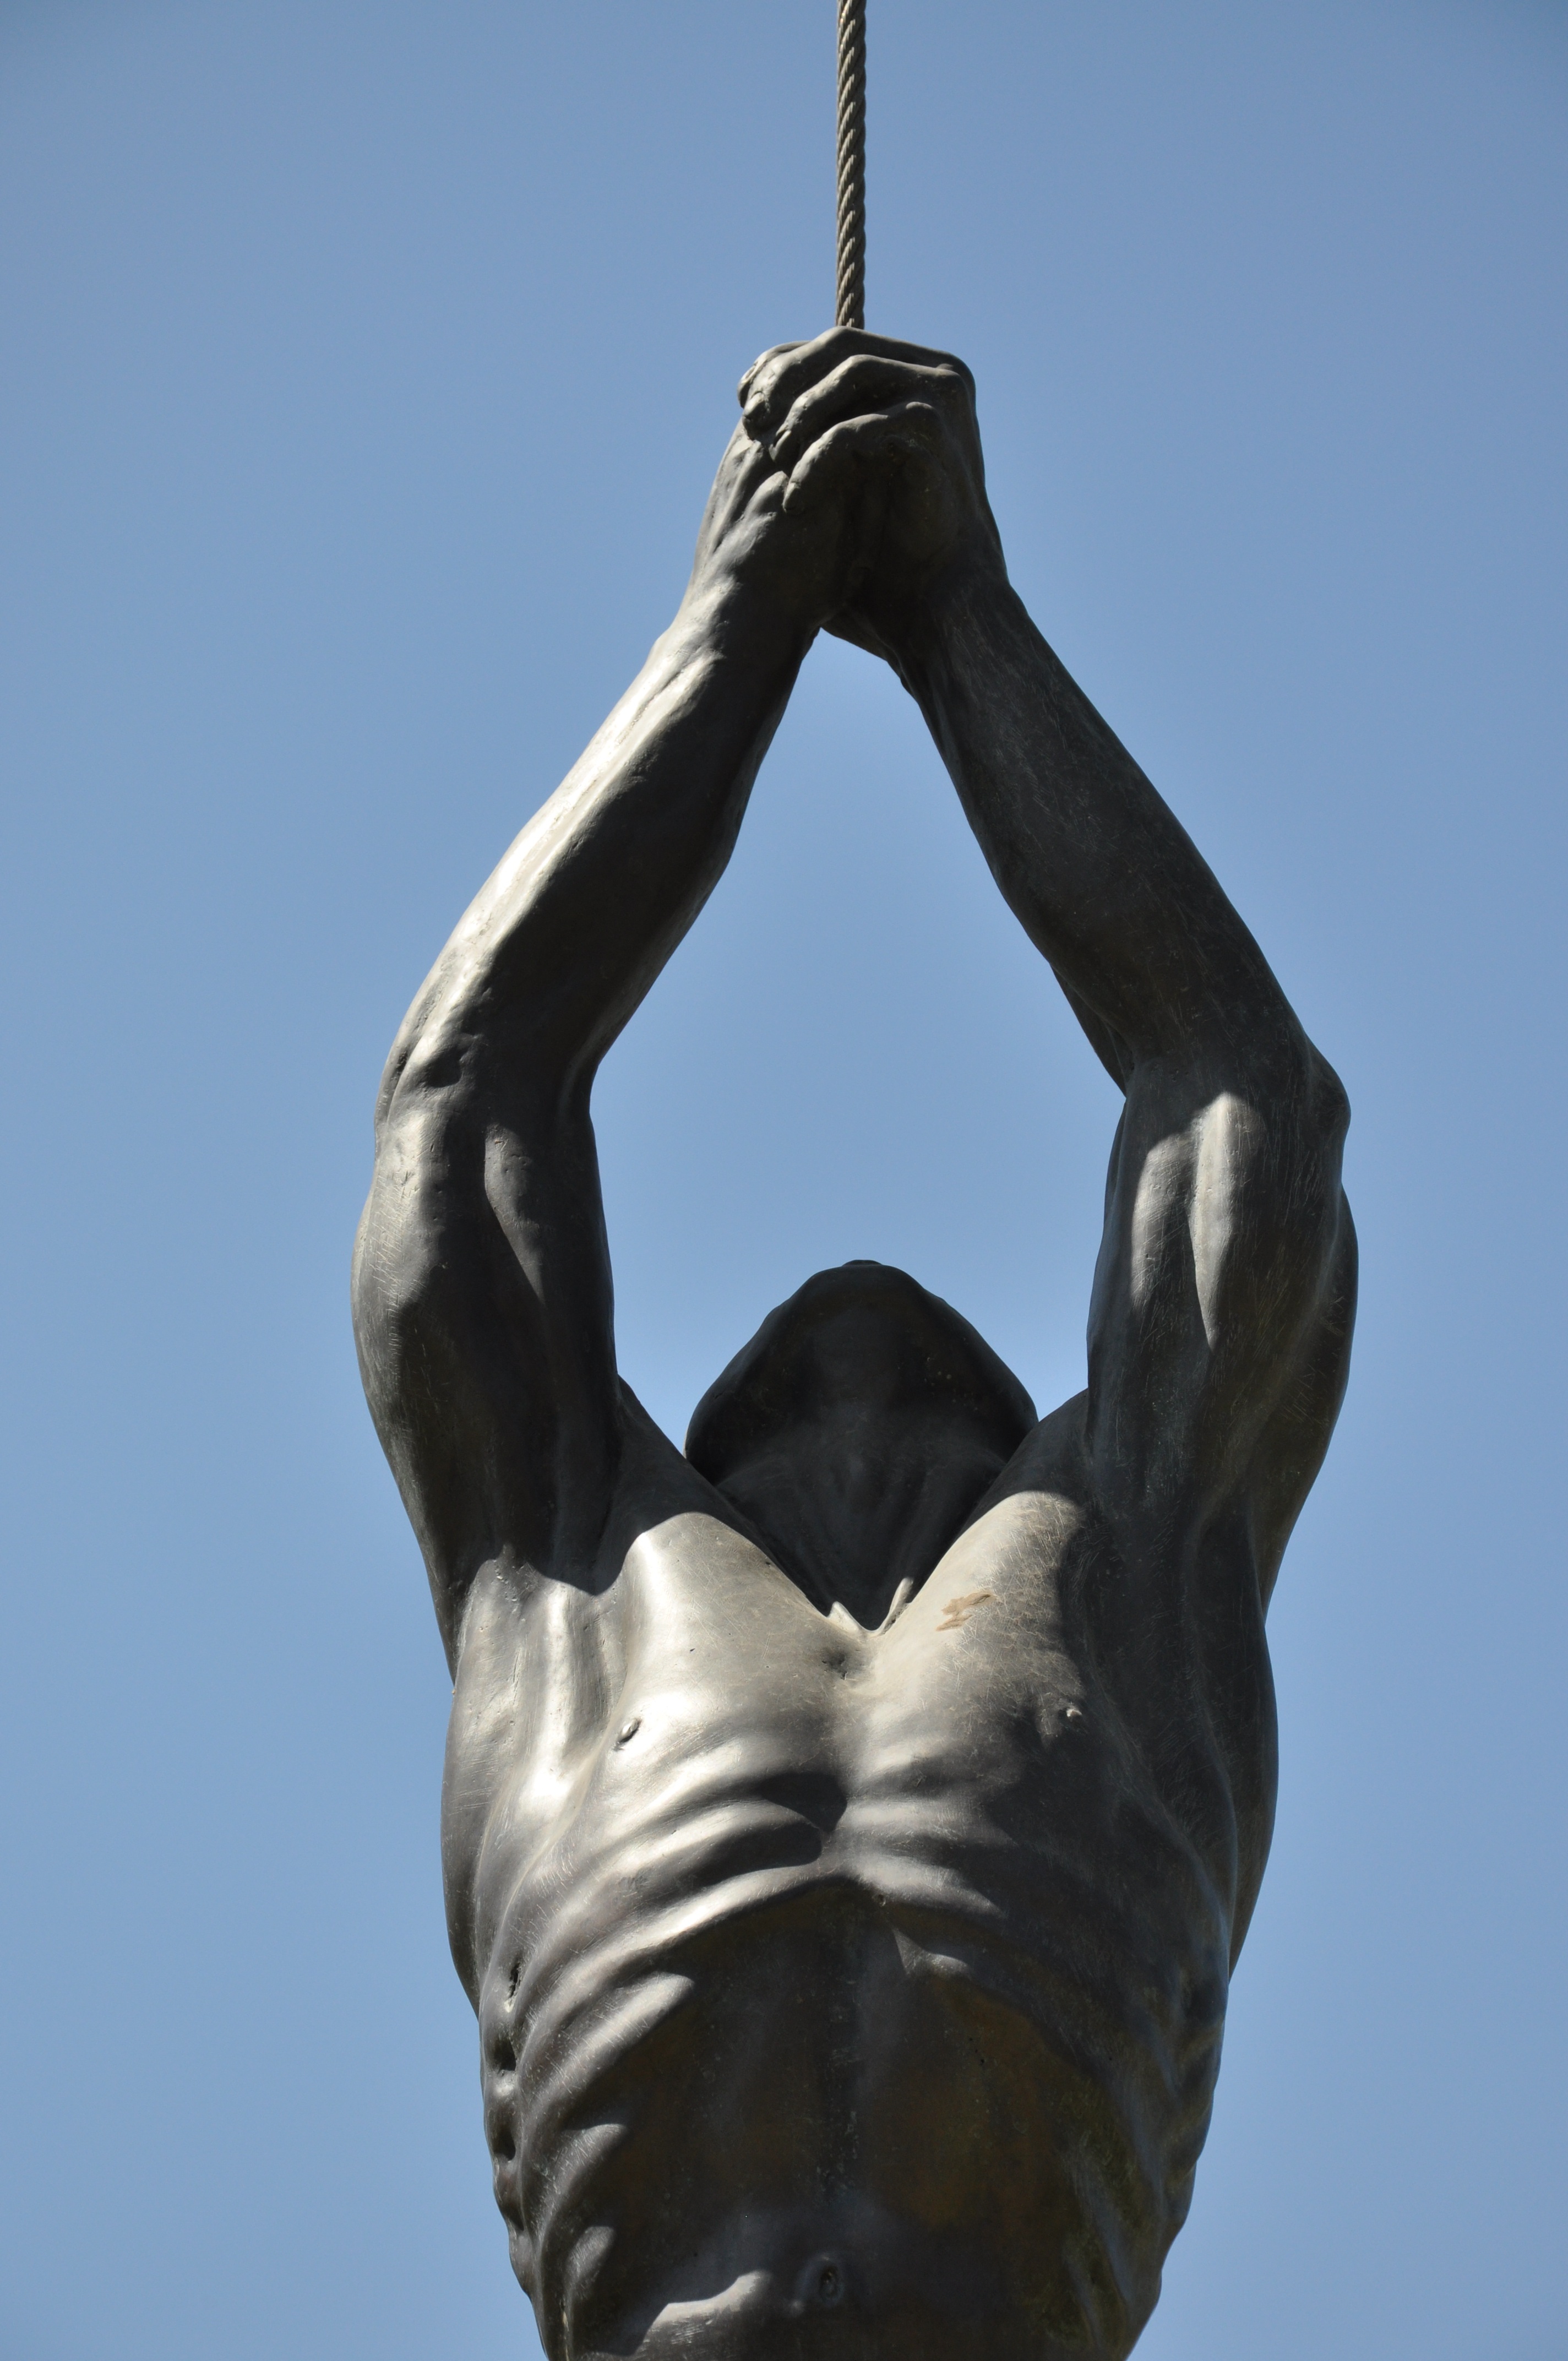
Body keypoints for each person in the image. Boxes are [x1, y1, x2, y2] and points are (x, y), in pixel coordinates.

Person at [351, 330, 1355, 2361]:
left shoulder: (1129, 1586)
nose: (860, 1395)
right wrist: (743, 618)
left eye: (917, 1401)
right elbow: (461, 1121)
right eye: (805, 1405)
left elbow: (1247, 1123)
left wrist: (955, 621)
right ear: (713, 1479)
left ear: (1013, 1466)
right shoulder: (573, 1598)